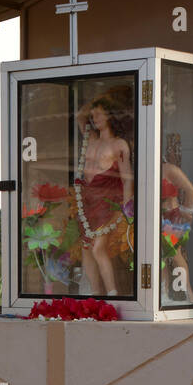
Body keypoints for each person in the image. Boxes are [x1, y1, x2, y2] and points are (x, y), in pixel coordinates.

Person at [74, 95, 134, 296]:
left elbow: (127, 179)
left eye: (99, 113)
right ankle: (95, 295)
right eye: (94, 114)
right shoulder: (90, 138)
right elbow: (79, 116)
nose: (94, 117)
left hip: (108, 201)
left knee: (99, 247)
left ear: (110, 116)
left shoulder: (119, 145)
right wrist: (97, 98)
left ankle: (112, 293)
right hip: (87, 200)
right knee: (86, 248)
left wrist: (127, 207)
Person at [161, 133, 193, 304]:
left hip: (172, 216)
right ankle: (163, 291)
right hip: (156, 217)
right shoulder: (145, 170)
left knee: (174, 254)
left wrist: (186, 213)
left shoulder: (169, 170)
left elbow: (191, 190)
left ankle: (187, 293)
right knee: (159, 256)